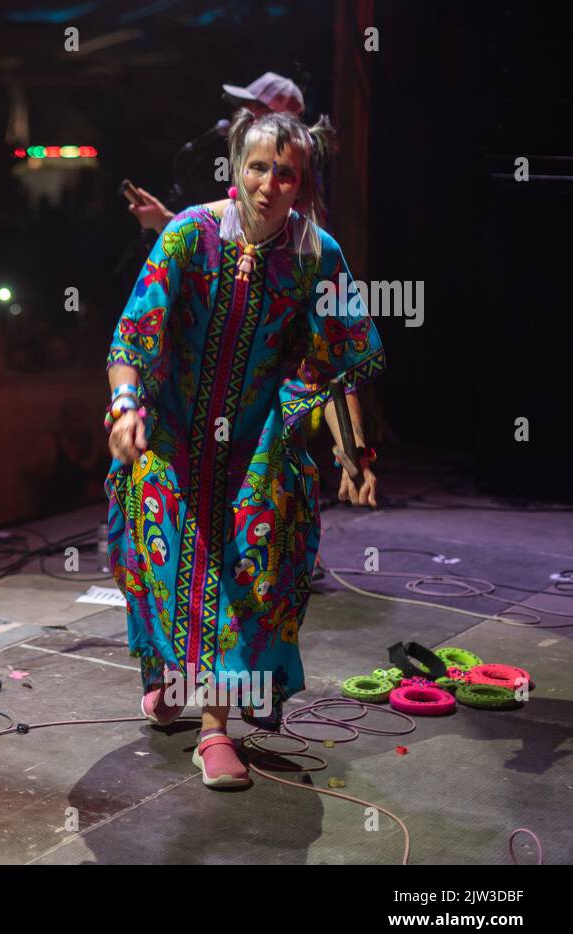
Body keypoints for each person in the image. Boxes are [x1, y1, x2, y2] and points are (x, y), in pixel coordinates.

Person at [104, 107, 385, 789]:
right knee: (162, 563)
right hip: (171, 434)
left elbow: (349, 353)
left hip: (257, 443)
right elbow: (133, 334)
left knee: (244, 574)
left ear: (303, 183)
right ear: (236, 168)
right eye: (258, 167)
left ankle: (214, 728)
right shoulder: (187, 235)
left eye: (285, 173)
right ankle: (176, 682)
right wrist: (125, 407)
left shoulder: (318, 254)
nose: (268, 184)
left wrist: (349, 451)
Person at [126, 71, 306, 232]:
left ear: (273, 117)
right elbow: (226, 239)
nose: (239, 113)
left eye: (250, 106)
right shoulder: (245, 166)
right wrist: (165, 220)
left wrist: (168, 222)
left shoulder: (291, 178)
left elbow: (238, 244)